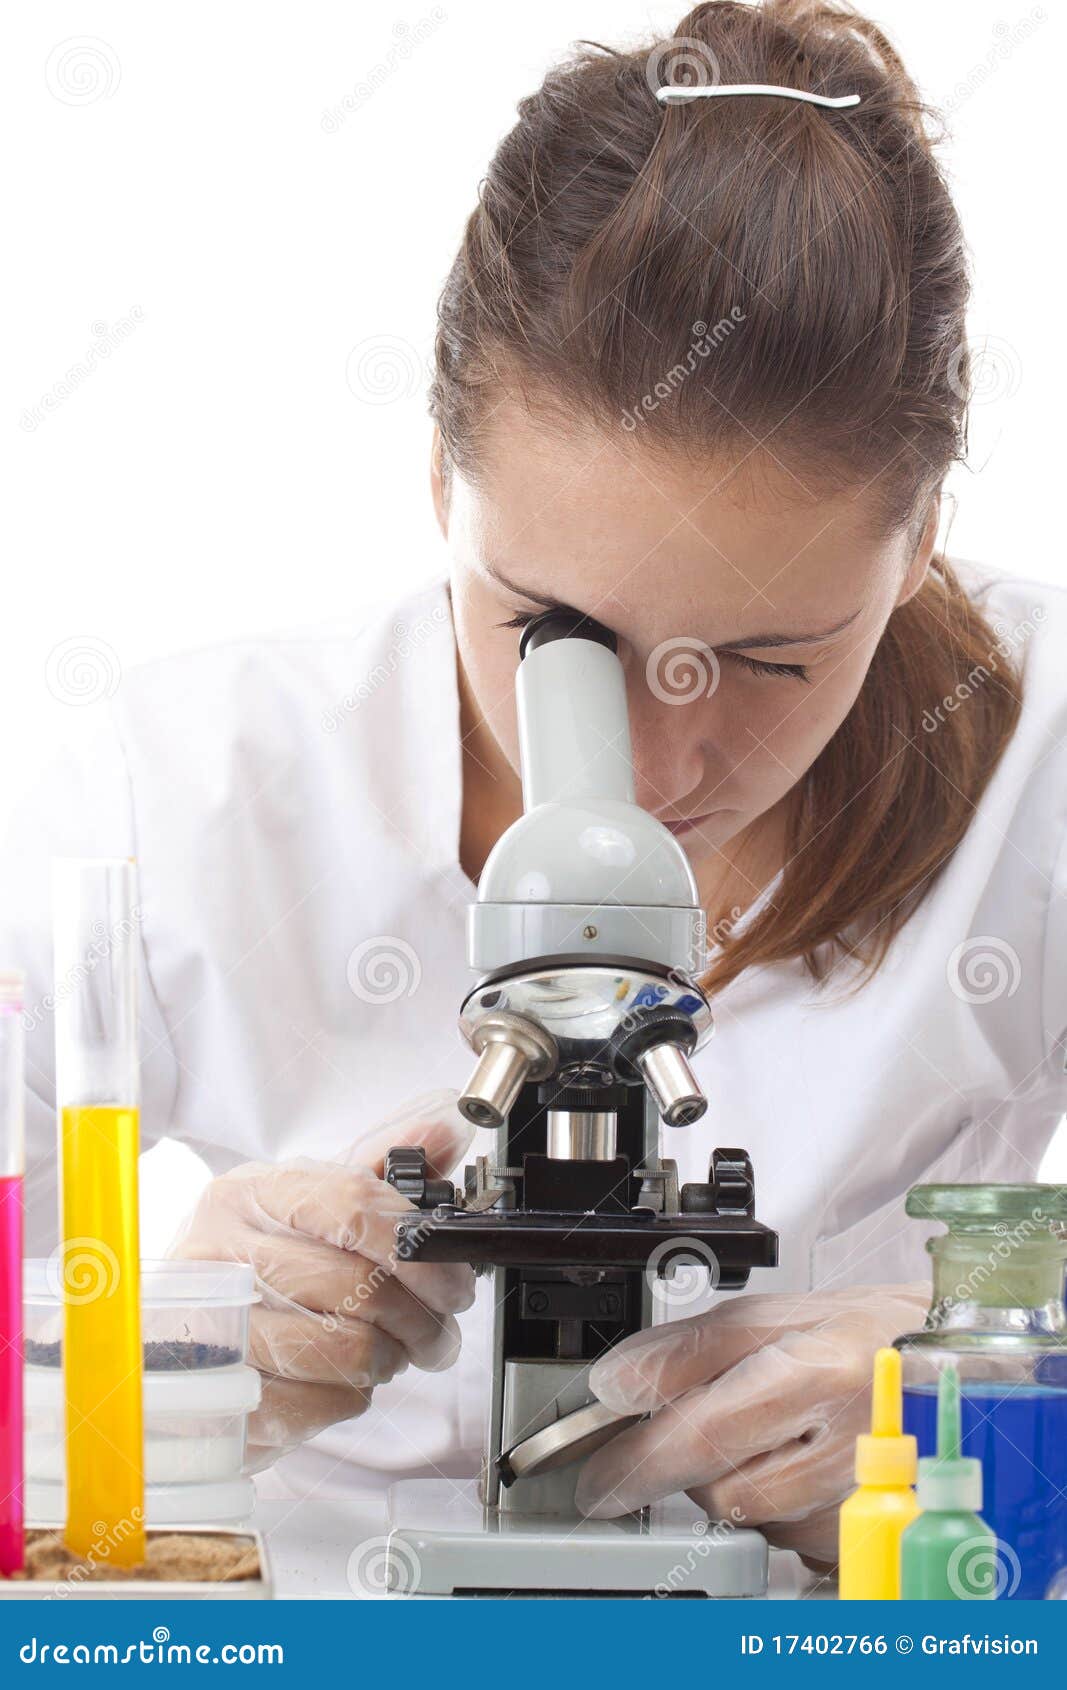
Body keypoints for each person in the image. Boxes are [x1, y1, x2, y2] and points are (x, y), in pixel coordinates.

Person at [5, 0, 1066, 1572]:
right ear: (443, 488)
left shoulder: (1033, 758)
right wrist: (154, 1361)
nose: (650, 765)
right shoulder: (182, 792)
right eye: (560, 637)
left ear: (917, 540)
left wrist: (1008, 1405)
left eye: (771, 660)